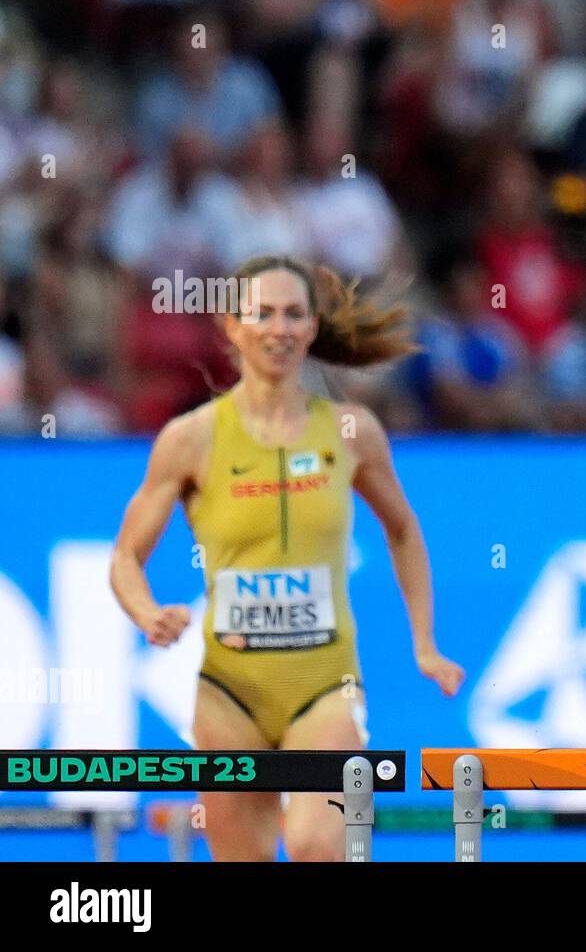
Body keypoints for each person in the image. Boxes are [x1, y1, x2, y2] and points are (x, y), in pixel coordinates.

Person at [109, 255, 465, 859]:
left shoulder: (352, 432)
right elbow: (125, 558)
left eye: (294, 314)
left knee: (314, 846)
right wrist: (146, 613)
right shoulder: (191, 439)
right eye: (263, 313)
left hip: (326, 685)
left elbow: (403, 530)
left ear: (312, 327)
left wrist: (424, 644)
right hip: (230, 694)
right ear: (233, 325)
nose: (279, 328)